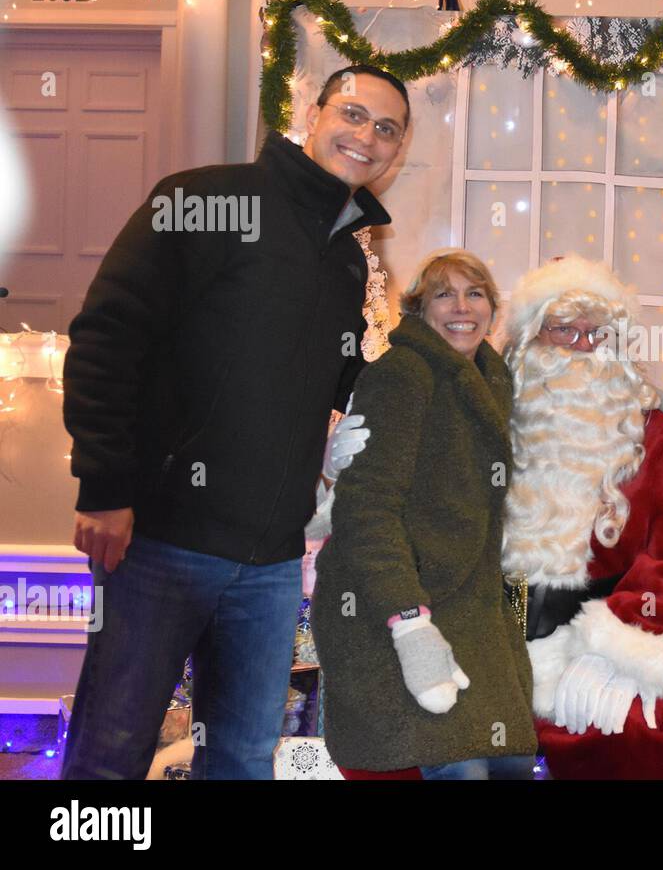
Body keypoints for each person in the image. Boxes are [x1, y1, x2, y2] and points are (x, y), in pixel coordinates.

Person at [60, 64, 407, 779]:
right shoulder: (204, 199)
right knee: (110, 752)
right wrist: (103, 486)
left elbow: (343, 376)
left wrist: (440, 378)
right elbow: (107, 336)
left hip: (272, 562)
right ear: (312, 116)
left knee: (246, 758)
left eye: (386, 129)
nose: (366, 136)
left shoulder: (346, 259)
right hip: (160, 541)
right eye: (352, 114)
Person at [310, 249, 536, 780]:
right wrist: (410, 625)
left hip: (472, 611)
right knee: (459, 769)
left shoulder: (491, 378)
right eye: (443, 294)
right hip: (391, 603)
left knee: (511, 765)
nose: (462, 307)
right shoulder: (402, 375)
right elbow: (366, 510)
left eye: (474, 293)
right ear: (418, 310)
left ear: (492, 308)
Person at [501, 255, 663, 779]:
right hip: (487, 636)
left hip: (601, 635)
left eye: (595, 334)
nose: (580, 346)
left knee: (625, 739)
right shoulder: (489, 417)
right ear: (532, 339)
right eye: (563, 331)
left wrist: (616, 648)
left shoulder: (656, 435)